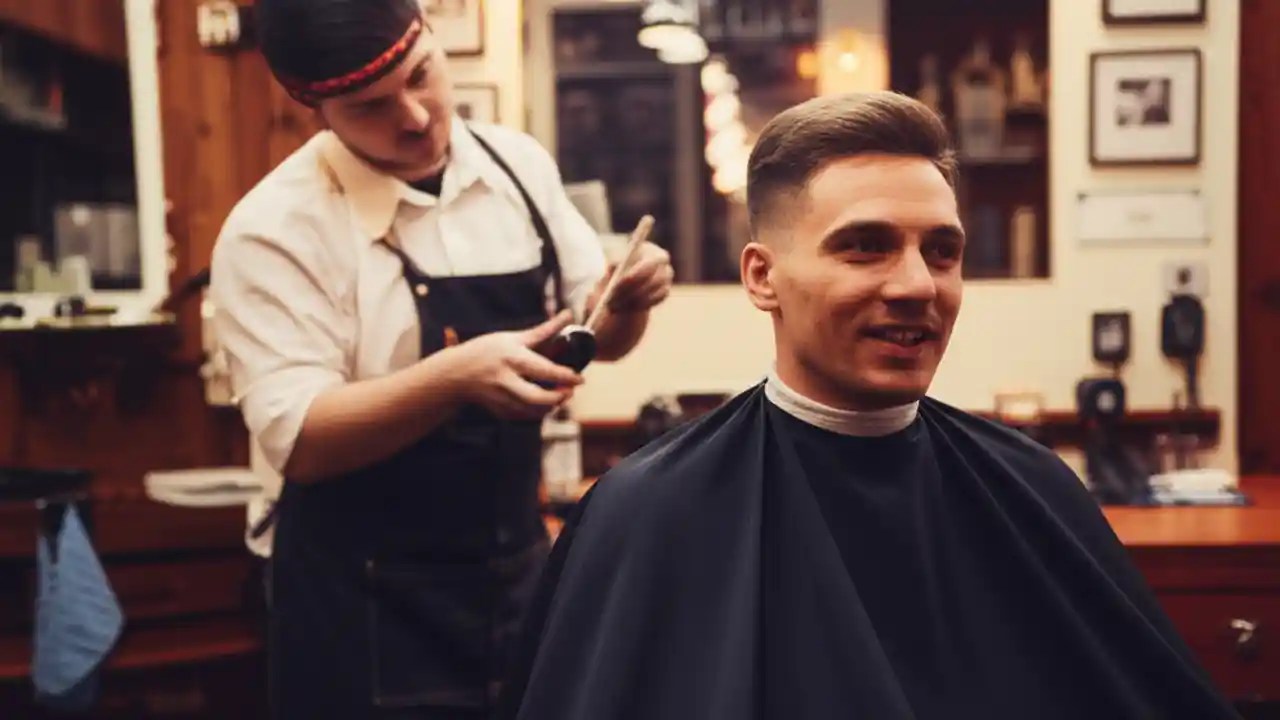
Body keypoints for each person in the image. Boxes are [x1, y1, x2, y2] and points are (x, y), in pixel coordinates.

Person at [496, 92, 1238, 720]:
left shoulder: (1034, 488)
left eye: (941, 251)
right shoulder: (647, 513)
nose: (919, 284)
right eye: (865, 247)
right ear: (763, 277)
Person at [208, 0, 673, 717]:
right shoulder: (274, 230)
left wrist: (630, 298)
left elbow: (601, 338)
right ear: (316, 109)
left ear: (429, 38)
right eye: (370, 107)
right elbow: (298, 439)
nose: (417, 117)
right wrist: (453, 379)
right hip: (360, 596)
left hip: (510, 568)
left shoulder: (516, 167)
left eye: (422, 75)